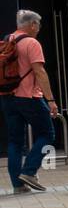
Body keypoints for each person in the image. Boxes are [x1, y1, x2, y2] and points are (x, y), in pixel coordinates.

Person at [1, 10, 59, 193]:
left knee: (15, 141)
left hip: (7, 96)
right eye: (38, 25)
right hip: (28, 96)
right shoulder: (31, 43)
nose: (39, 29)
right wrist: (50, 100)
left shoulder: (7, 39)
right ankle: (29, 171)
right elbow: (40, 72)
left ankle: (18, 185)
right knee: (47, 133)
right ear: (32, 24)